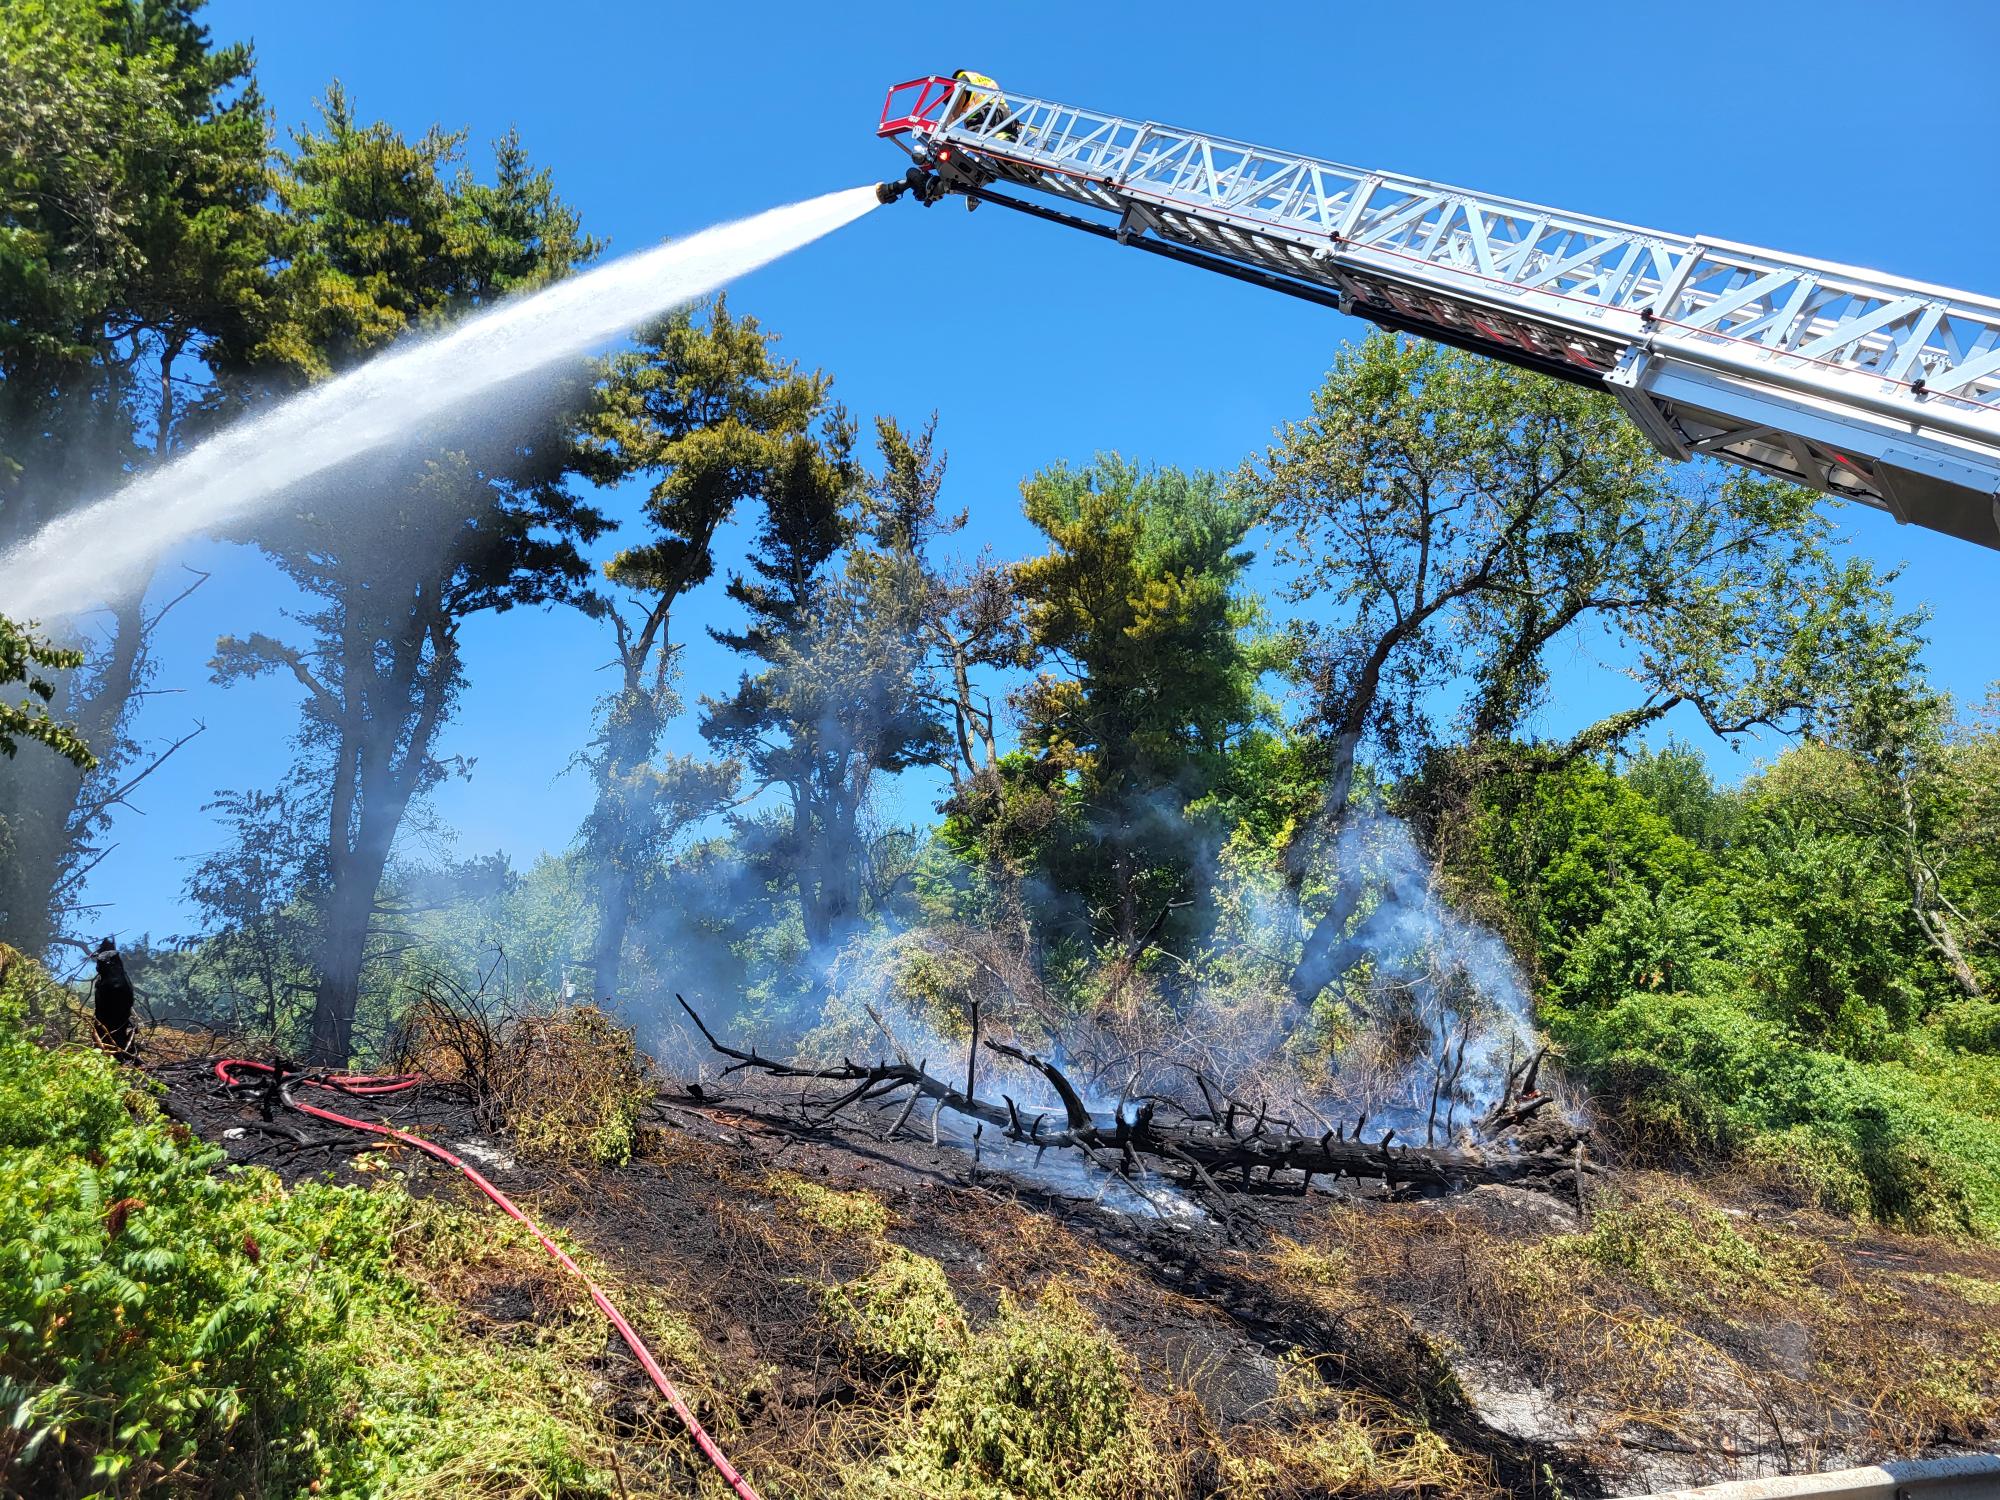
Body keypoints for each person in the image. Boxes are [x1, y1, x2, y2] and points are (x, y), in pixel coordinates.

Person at [91, 937, 135, 1059]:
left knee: (107, 1034)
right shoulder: (118, 967)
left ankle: (115, 1056)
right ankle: (120, 1054)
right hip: (120, 1011)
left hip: (109, 1013)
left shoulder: (107, 960)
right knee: (118, 1033)